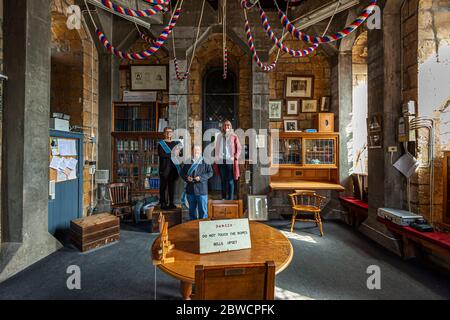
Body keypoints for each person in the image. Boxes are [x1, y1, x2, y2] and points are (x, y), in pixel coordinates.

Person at [181, 145, 213, 220]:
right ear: (192, 151)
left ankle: (203, 228)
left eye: (198, 150)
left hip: (201, 190)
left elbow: (210, 173)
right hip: (190, 190)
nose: (196, 152)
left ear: (200, 151)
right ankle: (193, 226)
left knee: (203, 212)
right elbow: (182, 173)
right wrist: (186, 178)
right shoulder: (187, 161)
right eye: (194, 150)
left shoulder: (205, 161)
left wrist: (201, 178)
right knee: (192, 211)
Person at [214, 120, 242, 200]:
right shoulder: (219, 136)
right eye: (225, 125)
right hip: (221, 161)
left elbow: (239, 148)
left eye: (228, 125)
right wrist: (216, 156)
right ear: (223, 127)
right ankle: (223, 197)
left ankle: (230, 198)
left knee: (230, 180)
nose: (227, 127)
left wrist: (235, 157)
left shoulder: (234, 136)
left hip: (230, 161)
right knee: (223, 180)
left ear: (230, 127)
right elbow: (217, 147)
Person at [158, 127, 181, 210]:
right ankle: (163, 203)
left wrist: (178, 153)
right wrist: (172, 154)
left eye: (170, 132)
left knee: (172, 187)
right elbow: (162, 154)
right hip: (164, 168)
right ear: (164, 133)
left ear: (172, 133)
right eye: (167, 132)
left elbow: (179, 154)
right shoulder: (161, 144)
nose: (168, 133)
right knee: (163, 187)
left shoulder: (175, 143)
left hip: (173, 168)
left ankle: (171, 203)